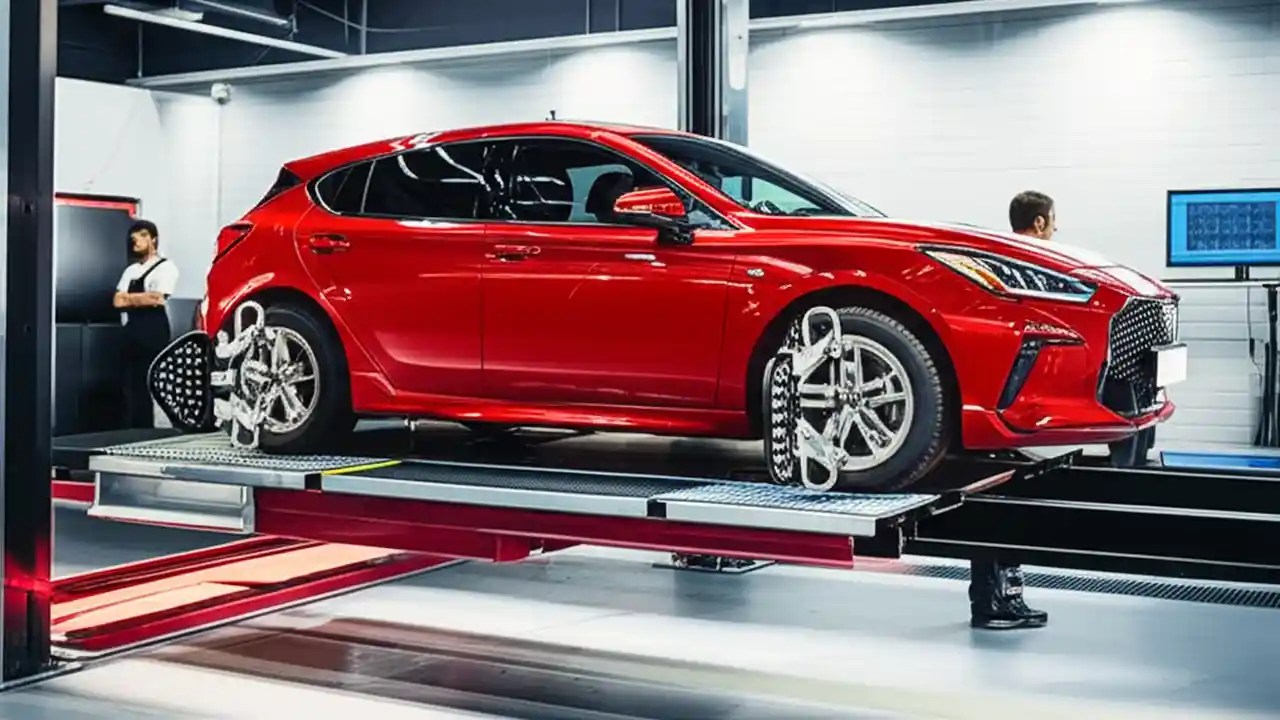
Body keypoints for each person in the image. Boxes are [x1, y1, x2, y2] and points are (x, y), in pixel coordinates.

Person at [967, 192, 1058, 630]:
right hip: (1016, 412)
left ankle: (997, 600)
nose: (1056, 229)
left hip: (1003, 410)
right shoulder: (1037, 265)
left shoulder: (999, 262)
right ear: (1040, 223)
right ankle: (995, 603)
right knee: (1002, 508)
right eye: (1054, 221)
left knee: (998, 505)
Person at [114, 220, 179, 428]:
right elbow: (117, 300)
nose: (136, 240)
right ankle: (134, 429)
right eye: (133, 237)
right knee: (131, 384)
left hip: (153, 331)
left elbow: (157, 299)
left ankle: (154, 430)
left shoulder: (166, 267)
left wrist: (129, 299)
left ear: (153, 239)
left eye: (142, 235)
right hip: (132, 331)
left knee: (152, 380)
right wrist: (142, 298)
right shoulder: (131, 270)